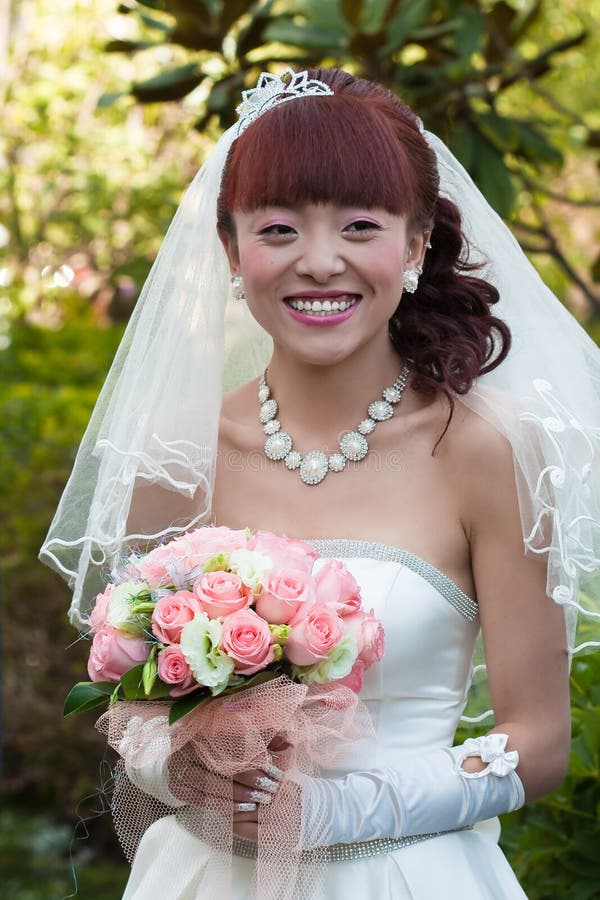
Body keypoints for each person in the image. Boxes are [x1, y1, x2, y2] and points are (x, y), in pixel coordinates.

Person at [40, 68, 600, 899]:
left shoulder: (488, 450)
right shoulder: (175, 455)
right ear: (230, 251)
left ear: (413, 247)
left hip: (410, 877)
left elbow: (539, 741)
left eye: (360, 224)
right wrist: (183, 774)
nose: (320, 261)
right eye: (278, 229)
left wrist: (338, 815)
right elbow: (133, 715)